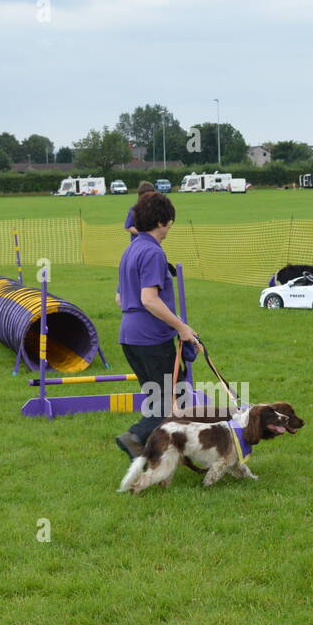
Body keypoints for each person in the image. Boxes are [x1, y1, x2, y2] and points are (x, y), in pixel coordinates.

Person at [113, 193, 198, 459]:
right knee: (173, 401)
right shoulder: (152, 252)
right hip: (151, 338)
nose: (171, 225)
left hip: (130, 336)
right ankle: (135, 437)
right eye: (170, 220)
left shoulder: (132, 248)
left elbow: (119, 298)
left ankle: (158, 456)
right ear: (162, 221)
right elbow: (149, 299)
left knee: (159, 398)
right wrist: (182, 327)